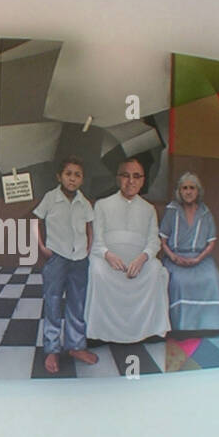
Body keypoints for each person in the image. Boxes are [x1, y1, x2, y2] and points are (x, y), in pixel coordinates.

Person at [86, 156, 167, 366]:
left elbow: (153, 242)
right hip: (110, 261)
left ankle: (151, 331)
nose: (130, 181)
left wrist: (142, 259)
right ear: (117, 178)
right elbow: (97, 241)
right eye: (126, 176)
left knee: (156, 269)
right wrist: (107, 255)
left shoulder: (149, 209)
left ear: (142, 180)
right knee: (96, 269)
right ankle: (98, 334)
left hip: (136, 263)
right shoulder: (103, 205)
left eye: (136, 176)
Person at [32, 157, 95, 374]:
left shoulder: (84, 202)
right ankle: (51, 349)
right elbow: (36, 220)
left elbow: (89, 226)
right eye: (68, 174)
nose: (73, 178)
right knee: (53, 302)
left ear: (82, 179)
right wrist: (42, 246)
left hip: (79, 259)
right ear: (59, 176)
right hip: (56, 258)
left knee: (77, 303)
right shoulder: (51, 198)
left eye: (77, 175)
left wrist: (88, 247)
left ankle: (76, 346)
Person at [160, 169, 219, 365]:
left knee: (212, 278)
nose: (188, 192)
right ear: (179, 191)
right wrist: (173, 256)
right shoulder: (171, 210)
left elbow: (211, 242)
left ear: (198, 191)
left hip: (200, 258)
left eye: (192, 188)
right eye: (184, 188)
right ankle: (181, 328)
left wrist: (198, 259)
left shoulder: (206, 212)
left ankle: (207, 327)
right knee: (178, 281)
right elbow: (162, 239)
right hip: (175, 257)